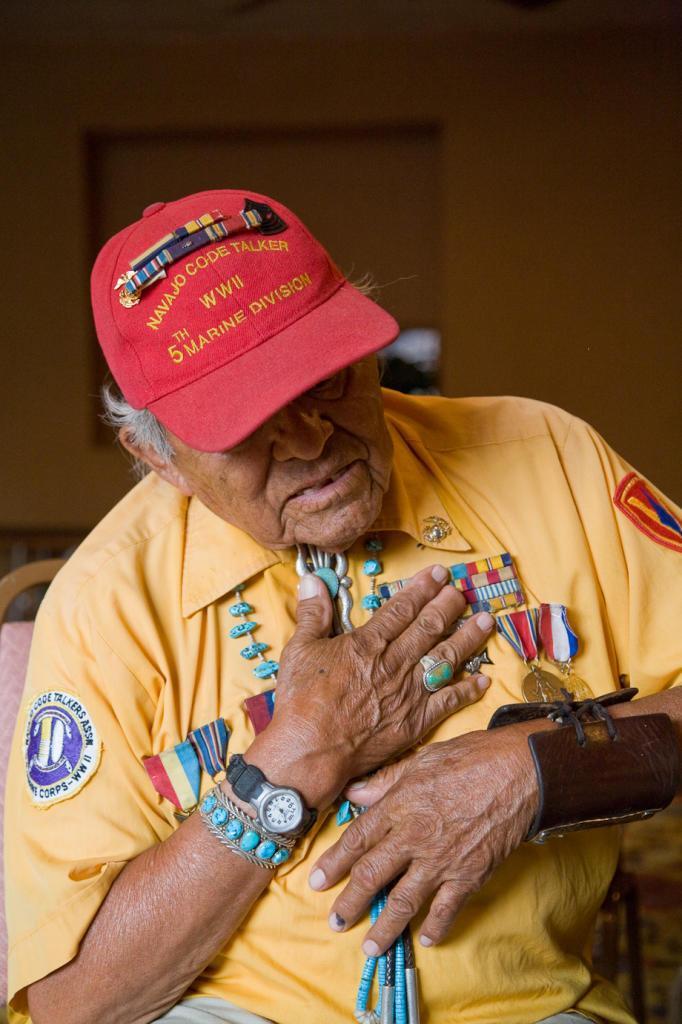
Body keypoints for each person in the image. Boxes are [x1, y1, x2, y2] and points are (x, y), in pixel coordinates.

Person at [4, 189, 680, 1024]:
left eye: (327, 378)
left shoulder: (546, 460)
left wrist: (533, 771)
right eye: (246, 422)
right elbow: (75, 1004)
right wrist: (296, 758)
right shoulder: (110, 596)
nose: (313, 438)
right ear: (157, 455)